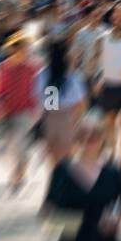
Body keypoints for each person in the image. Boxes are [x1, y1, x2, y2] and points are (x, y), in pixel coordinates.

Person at [92, 1, 121, 167]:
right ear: (112, 17)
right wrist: (98, 79)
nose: (118, 17)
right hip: (108, 86)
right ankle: (112, 156)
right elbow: (94, 62)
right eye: (115, 14)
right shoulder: (101, 39)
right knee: (110, 124)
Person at [0, 31, 42, 193]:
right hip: (7, 112)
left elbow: (46, 87)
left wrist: (47, 109)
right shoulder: (3, 67)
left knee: (20, 144)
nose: (25, 51)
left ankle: (18, 176)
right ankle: (18, 172)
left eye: (27, 48)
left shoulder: (34, 66)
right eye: (22, 48)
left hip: (27, 111)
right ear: (13, 49)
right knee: (11, 146)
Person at [37, 35, 89, 166]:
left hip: (49, 119)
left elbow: (41, 101)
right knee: (67, 160)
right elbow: (82, 104)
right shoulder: (72, 76)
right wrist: (78, 120)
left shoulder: (42, 75)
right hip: (68, 118)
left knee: (53, 161)